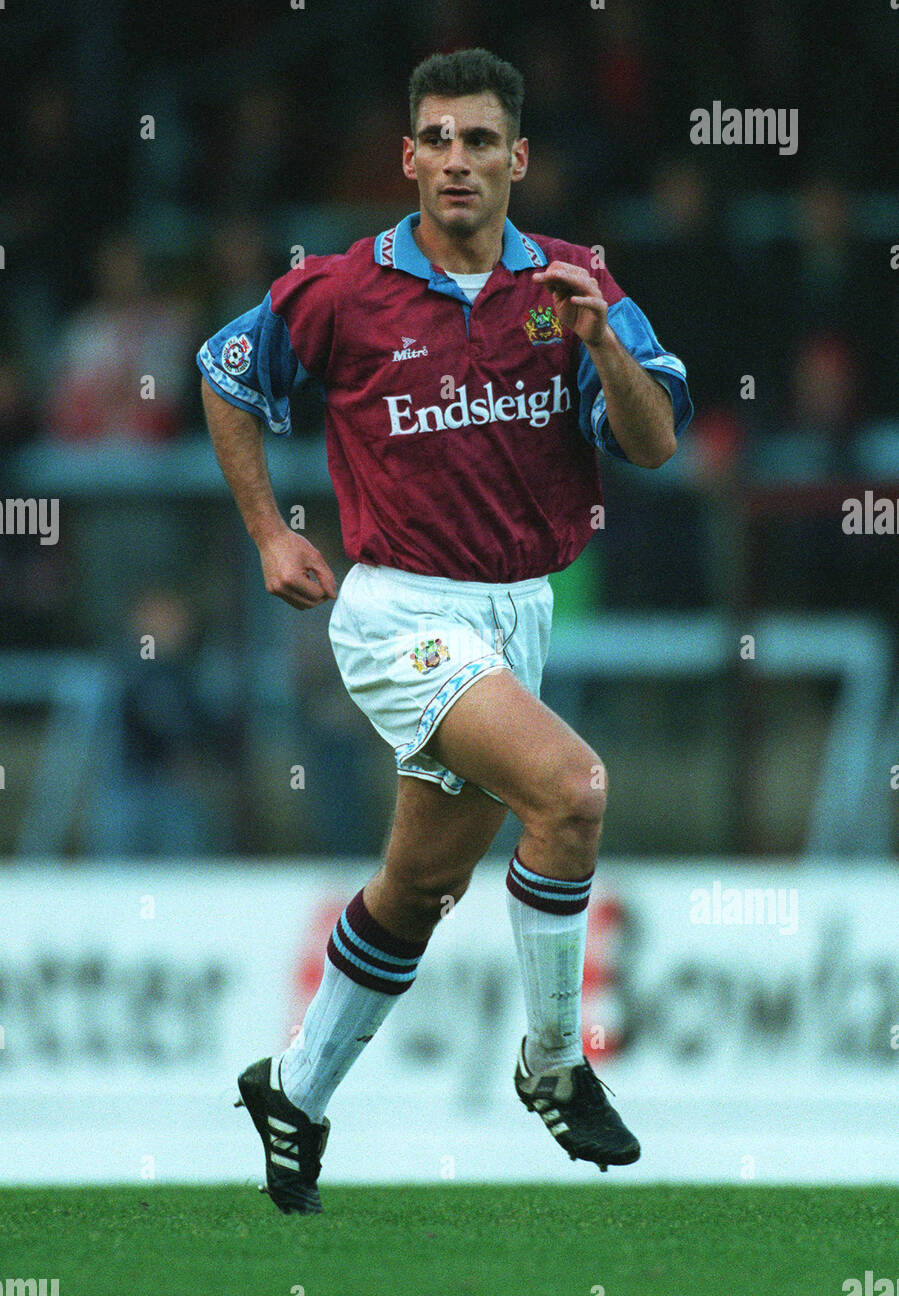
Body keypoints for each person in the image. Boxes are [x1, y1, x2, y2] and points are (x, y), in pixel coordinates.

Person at [198, 48, 692, 1213]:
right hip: (399, 613)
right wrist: (271, 533)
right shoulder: (340, 291)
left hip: (517, 615)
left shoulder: (574, 284)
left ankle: (294, 1091)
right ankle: (554, 1062)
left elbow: (658, 443)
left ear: (517, 158)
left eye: (481, 140)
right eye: (436, 138)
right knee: (570, 790)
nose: (457, 160)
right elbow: (224, 376)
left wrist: (601, 347)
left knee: (418, 886)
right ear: (406, 156)